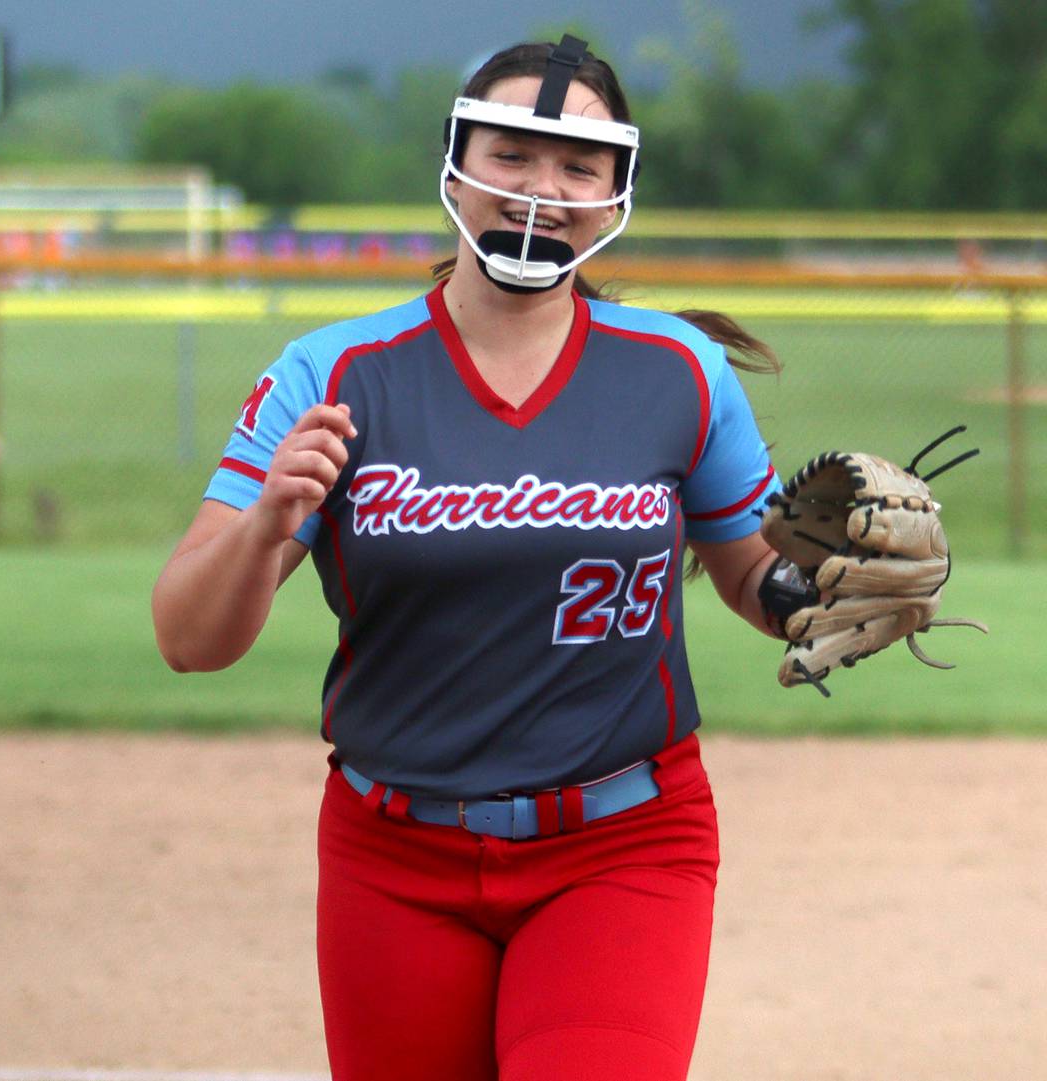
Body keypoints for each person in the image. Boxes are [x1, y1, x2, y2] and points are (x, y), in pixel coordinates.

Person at [153, 37, 795, 1081]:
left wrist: (820, 588)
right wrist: (269, 519)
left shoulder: (681, 370)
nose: (541, 188)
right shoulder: (333, 373)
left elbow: (752, 575)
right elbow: (187, 639)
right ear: (455, 168)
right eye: (511, 154)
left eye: (577, 165)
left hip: (622, 842)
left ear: (614, 194)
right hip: (393, 853)